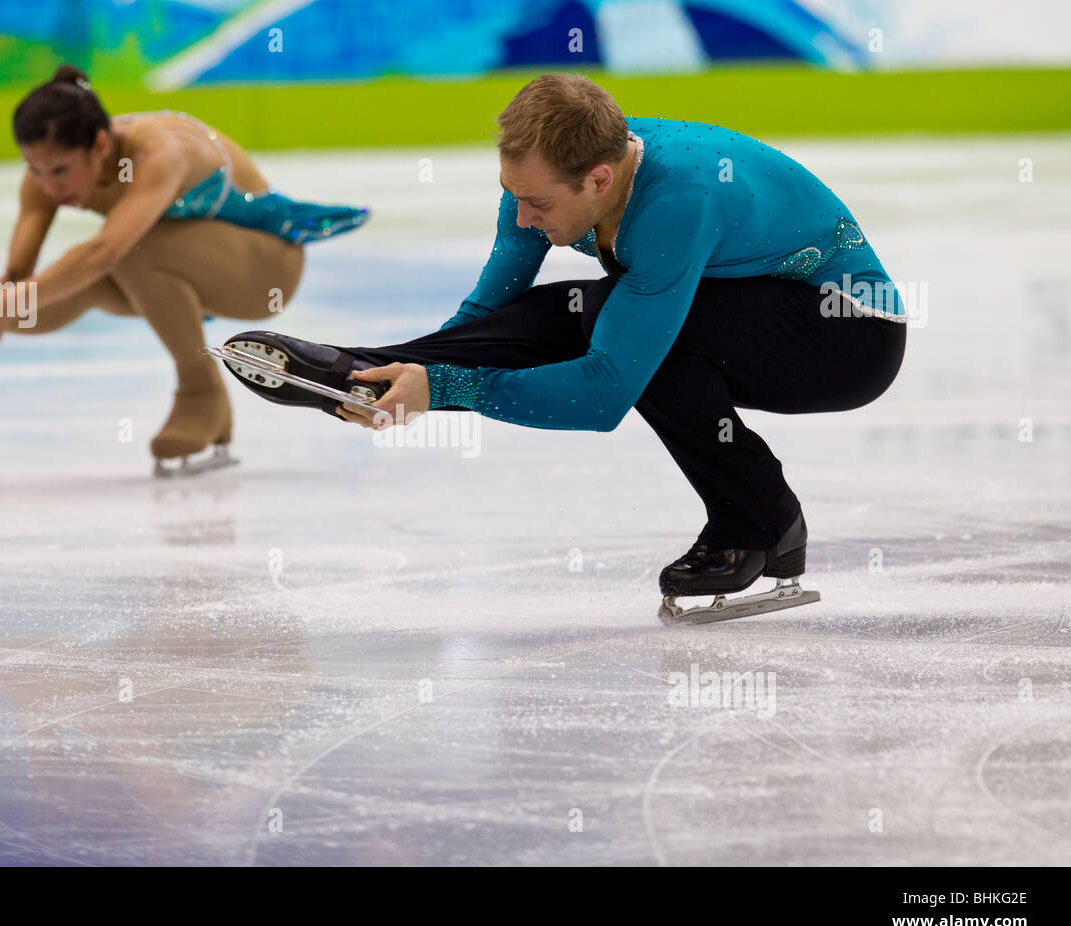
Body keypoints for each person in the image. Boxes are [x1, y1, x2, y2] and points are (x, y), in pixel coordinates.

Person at [214, 72, 907, 621]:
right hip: (746, 305)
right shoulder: (545, 174)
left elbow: (605, 394)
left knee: (616, 321)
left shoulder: (678, 201)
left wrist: (447, 388)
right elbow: (493, 313)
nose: (521, 216)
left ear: (599, 180)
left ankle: (758, 524)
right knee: (564, 309)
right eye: (510, 194)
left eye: (538, 205)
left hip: (845, 336)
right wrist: (410, 371)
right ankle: (364, 367)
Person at [0, 63, 368, 475]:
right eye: (35, 169)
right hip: (169, 270)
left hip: (263, 269)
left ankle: (200, 391)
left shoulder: (161, 151)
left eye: (60, 170)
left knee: (128, 251)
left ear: (101, 147)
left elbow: (105, 250)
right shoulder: (46, 177)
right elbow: (21, 281)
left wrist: (3, 306)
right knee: (82, 285)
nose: (48, 185)